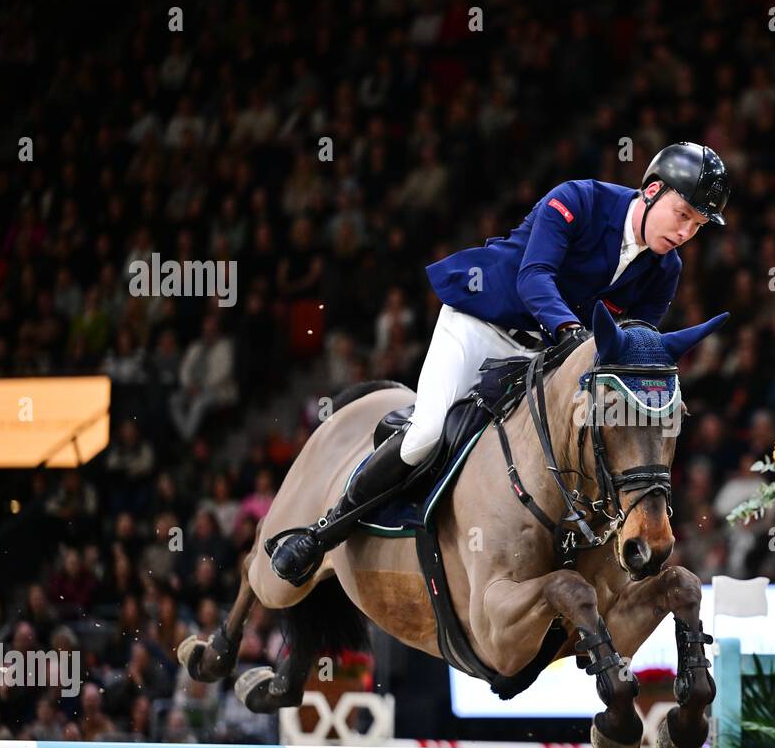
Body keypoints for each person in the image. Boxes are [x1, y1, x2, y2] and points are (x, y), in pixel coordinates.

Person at [268, 142, 730, 585]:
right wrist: (572, 333)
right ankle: (323, 532)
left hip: (542, 357)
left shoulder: (666, 270)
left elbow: (629, 349)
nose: (686, 232)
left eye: (699, 224)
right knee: (428, 432)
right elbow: (534, 278)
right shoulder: (577, 201)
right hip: (480, 325)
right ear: (652, 191)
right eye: (683, 214)